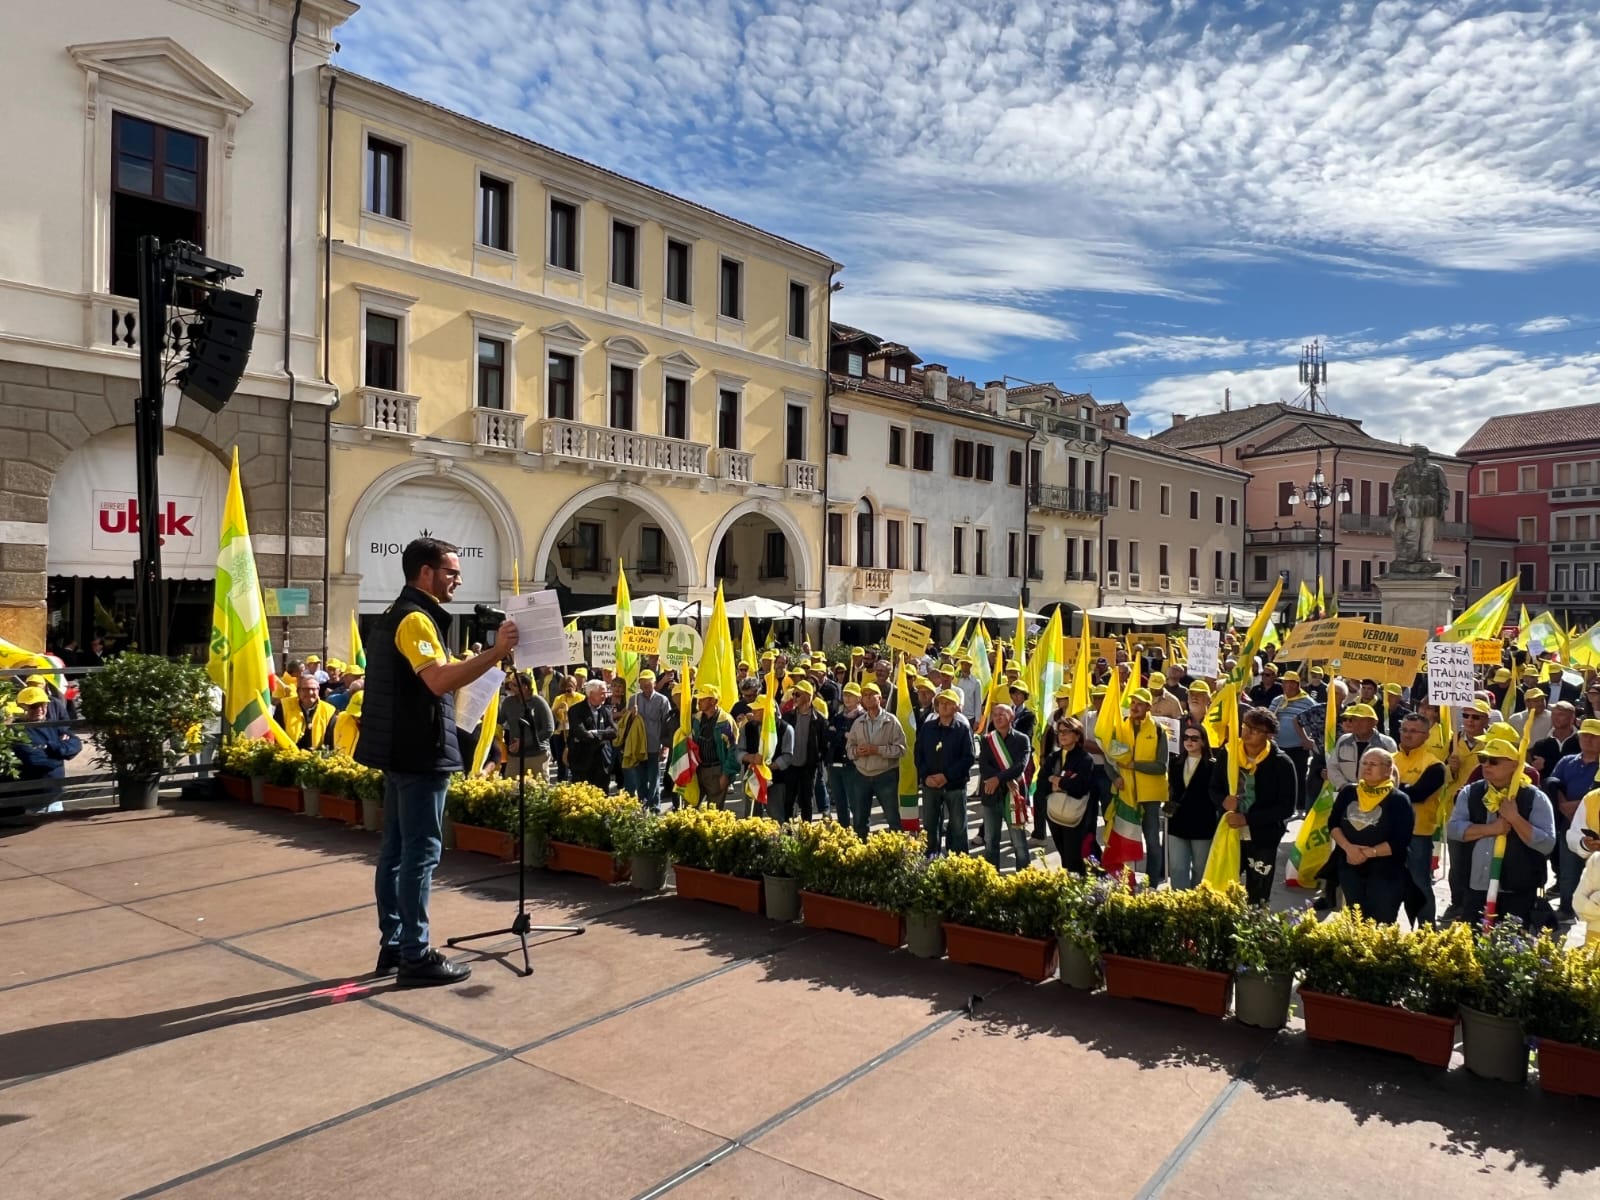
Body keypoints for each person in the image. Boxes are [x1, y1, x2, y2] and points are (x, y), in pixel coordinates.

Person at [357, 536, 519, 987]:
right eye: (450, 572)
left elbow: (424, 679)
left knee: (394, 853)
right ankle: (415, 953)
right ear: (425, 573)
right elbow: (436, 682)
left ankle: (394, 946)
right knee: (420, 855)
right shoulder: (415, 619)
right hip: (419, 752)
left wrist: (467, 667)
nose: (458, 580)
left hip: (399, 749)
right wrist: (494, 654)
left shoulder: (396, 615)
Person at [1446, 736, 1558, 925]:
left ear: (1514, 765)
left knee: (1510, 949)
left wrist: (1515, 818)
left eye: (1494, 761)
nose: (1486, 765)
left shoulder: (1535, 797)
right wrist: (1491, 829)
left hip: (1517, 890)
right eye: (1483, 759)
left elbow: (1547, 844)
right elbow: (1454, 830)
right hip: (1476, 887)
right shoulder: (1470, 792)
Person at [1210, 707, 1297, 904]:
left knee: (1258, 893)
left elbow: (1286, 808)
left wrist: (1247, 819)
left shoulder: (1281, 763)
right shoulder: (1229, 753)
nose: (1247, 732)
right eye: (1245, 726)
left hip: (1263, 837)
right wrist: (1222, 800)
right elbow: (1213, 787)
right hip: (1229, 832)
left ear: (1269, 735)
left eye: (1255, 730)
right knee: (1223, 890)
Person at [1329, 747, 1414, 923]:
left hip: (1385, 872)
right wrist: (1349, 849)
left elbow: (1401, 840)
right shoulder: (1349, 792)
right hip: (1350, 865)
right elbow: (1333, 824)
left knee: (1381, 921)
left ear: (1387, 770)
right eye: (1364, 763)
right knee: (1355, 919)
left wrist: (1368, 853)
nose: (1367, 768)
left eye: (1373, 764)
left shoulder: (1398, 800)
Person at [1392, 714, 1448, 927]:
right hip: (1388, 831)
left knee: (1420, 882)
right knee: (1390, 881)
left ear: (1426, 736)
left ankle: (1427, 929)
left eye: (1414, 731)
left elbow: (1418, 794)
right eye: (1404, 729)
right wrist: (1404, 788)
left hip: (1418, 832)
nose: (1407, 734)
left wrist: (1397, 788)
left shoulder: (1434, 765)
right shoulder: (1390, 759)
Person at [1111, 687, 1170, 884]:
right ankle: (1126, 884)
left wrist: (1135, 766)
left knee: (1152, 841)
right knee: (1125, 839)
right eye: (1133, 703)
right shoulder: (1119, 727)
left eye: (1139, 704)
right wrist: (1114, 778)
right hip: (1126, 793)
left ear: (1148, 707)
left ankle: (1153, 883)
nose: (1134, 707)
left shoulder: (1159, 731)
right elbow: (1109, 759)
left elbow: (1161, 767)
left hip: (1150, 796)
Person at [1543, 717, 1600, 922]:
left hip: (1595, 821)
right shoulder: (1567, 761)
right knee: (1569, 868)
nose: (1588, 740)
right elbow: (1552, 781)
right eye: (1585, 735)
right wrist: (1562, 803)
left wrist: (1579, 805)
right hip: (1569, 822)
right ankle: (1567, 908)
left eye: (1594, 737)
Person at [916, 687, 975, 855]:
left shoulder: (962, 729)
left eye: (948, 704)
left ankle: (958, 862)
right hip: (930, 786)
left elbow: (968, 757)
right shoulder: (927, 728)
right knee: (929, 825)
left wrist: (946, 776)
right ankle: (930, 859)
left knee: (958, 826)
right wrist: (925, 776)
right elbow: (918, 754)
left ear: (956, 708)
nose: (943, 706)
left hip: (954, 786)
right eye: (941, 703)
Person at [1037, 718, 1097, 872]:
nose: (1062, 735)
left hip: (1077, 817)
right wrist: (1057, 783)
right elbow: (1041, 783)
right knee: (1064, 855)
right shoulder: (1053, 757)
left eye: (1067, 731)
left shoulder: (1085, 759)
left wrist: (1058, 782)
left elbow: (1080, 787)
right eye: (1060, 732)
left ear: (1077, 735)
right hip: (1055, 814)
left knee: (1075, 857)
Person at [977, 703, 1032, 871]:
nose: (998, 717)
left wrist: (998, 779)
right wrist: (1004, 779)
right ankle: (991, 877)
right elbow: (984, 766)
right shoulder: (987, 740)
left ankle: (1024, 879)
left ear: (1011, 717)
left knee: (1019, 843)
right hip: (991, 795)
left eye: (1002, 714)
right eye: (995, 714)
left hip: (1014, 796)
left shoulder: (1022, 739)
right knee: (991, 840)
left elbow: (1019, 766)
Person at [846, 682, 906, 832]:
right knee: (860, 820)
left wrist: (877, 750)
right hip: (862, 775)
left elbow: (901, 749)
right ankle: (861, 851)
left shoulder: (892, 721)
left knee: (893, 818)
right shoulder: (858, 723)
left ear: (880, 698)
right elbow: (849, 748)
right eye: (865, 695)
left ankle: (897, 852)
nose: (868, 698)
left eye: (872, 694)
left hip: (886, 776)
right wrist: (857, 752)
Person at [13, 685, 82, 810]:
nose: (39, 709)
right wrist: (60, 755)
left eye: (43, 705)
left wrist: (50, 747)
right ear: (23, 707)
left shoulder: (53, 724)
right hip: (32, 801)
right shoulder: (18, 731)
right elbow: (34, 760)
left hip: (56, 797)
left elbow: (76, 744)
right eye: (34, 706)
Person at [1165, 727, 1217, 889]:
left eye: (1194, 738)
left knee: (1200, 868)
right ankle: (1179, 903)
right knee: (1177, 867)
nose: (1189, 741)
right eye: (1186, 737)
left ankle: (1197, 904)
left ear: (1203, 741)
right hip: (1178, 822)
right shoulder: (1174, 763)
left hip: (1203, 822)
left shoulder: (1213, 766)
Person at [781, 681, 827, 822]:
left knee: (807, 801)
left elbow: (823, 744)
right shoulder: (787, 717)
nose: (793, 697)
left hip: (809, 767)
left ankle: (806, 833)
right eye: (793, 694)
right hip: (790, 766)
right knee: (788, 800)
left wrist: (818, 761)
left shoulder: (819, 720)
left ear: (808, 696)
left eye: (797, 694)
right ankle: (787, 833)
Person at [1270, 671, 1315, 815]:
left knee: (1298, 777)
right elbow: (1269, 719)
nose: (1286, 685)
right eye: (1284, 682)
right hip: (1278, 746)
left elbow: (1314, 723)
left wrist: (1308, 739)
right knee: (1278, 778)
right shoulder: (1278, 700)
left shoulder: (1308, 702)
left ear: (1297, 685)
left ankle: (1300, 807)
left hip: (1298, 747)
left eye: (1290, 682)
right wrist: (1273, 717)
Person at [690, 685, 741, 810]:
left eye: (703, 699)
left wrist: (726, 774)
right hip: (698, 770)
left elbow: (733, 750)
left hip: (716, 771)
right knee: (690, 808)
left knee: (713, 813)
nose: (699, 701)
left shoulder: (726, 721)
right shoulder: (696, 719)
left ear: (713, 701)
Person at [629, 669, 674, 808]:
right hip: (638, 746)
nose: (646, 689)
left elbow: (667, 724)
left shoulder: (662, 700)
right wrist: (631, 714)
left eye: (649, 686)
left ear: (654, 684)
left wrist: (665, 747)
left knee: (654, 778)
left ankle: (654, 806)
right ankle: (642, 804)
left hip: (655, 744)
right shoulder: (634, 699)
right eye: (643, 686)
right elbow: (626, 724)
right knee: (640, 778)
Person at [566, 679, 617, 790]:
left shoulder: (606, 710)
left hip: (602, 761)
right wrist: (603, 736)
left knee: (603, 795)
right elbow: (581, 733)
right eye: (602, 693)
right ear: (591, 694)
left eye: (606, 693)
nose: (605, 696)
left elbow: (614, 731)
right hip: (582, 762)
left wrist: (596, 733)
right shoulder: (576, 710)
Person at [827, 682, 864, 832]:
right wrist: (844, 735)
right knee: (840, 803)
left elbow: (858, 740)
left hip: (852, 766)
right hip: (834, 764)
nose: (847, 698)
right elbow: (829, 735)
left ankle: (859, 833)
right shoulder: (837, 716)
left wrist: (839, 734)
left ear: (858, 698)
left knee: (855, 803)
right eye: (845, 695)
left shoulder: (863, 718)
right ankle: (843, 833)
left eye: (851, 695)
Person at [273, 672, 336, 752]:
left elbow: (330, 742)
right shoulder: (283, 706)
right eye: (305, 689)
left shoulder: (328, 710)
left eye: (313, 689)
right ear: (298, 691)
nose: (309, 693)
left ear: (318, 690)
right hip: (288, 756)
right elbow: (277, 734)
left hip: (317, 757)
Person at [549, 675, 580, 782]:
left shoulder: (581, 698)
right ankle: (561, 781)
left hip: (574, 732)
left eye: (571, 685)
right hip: (560, 732)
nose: (569, 688)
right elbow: (551, 713)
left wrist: (569, 711)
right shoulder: (559, 698)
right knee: (561, 759)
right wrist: (559, 706)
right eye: (566, 686)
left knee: (575, 759)